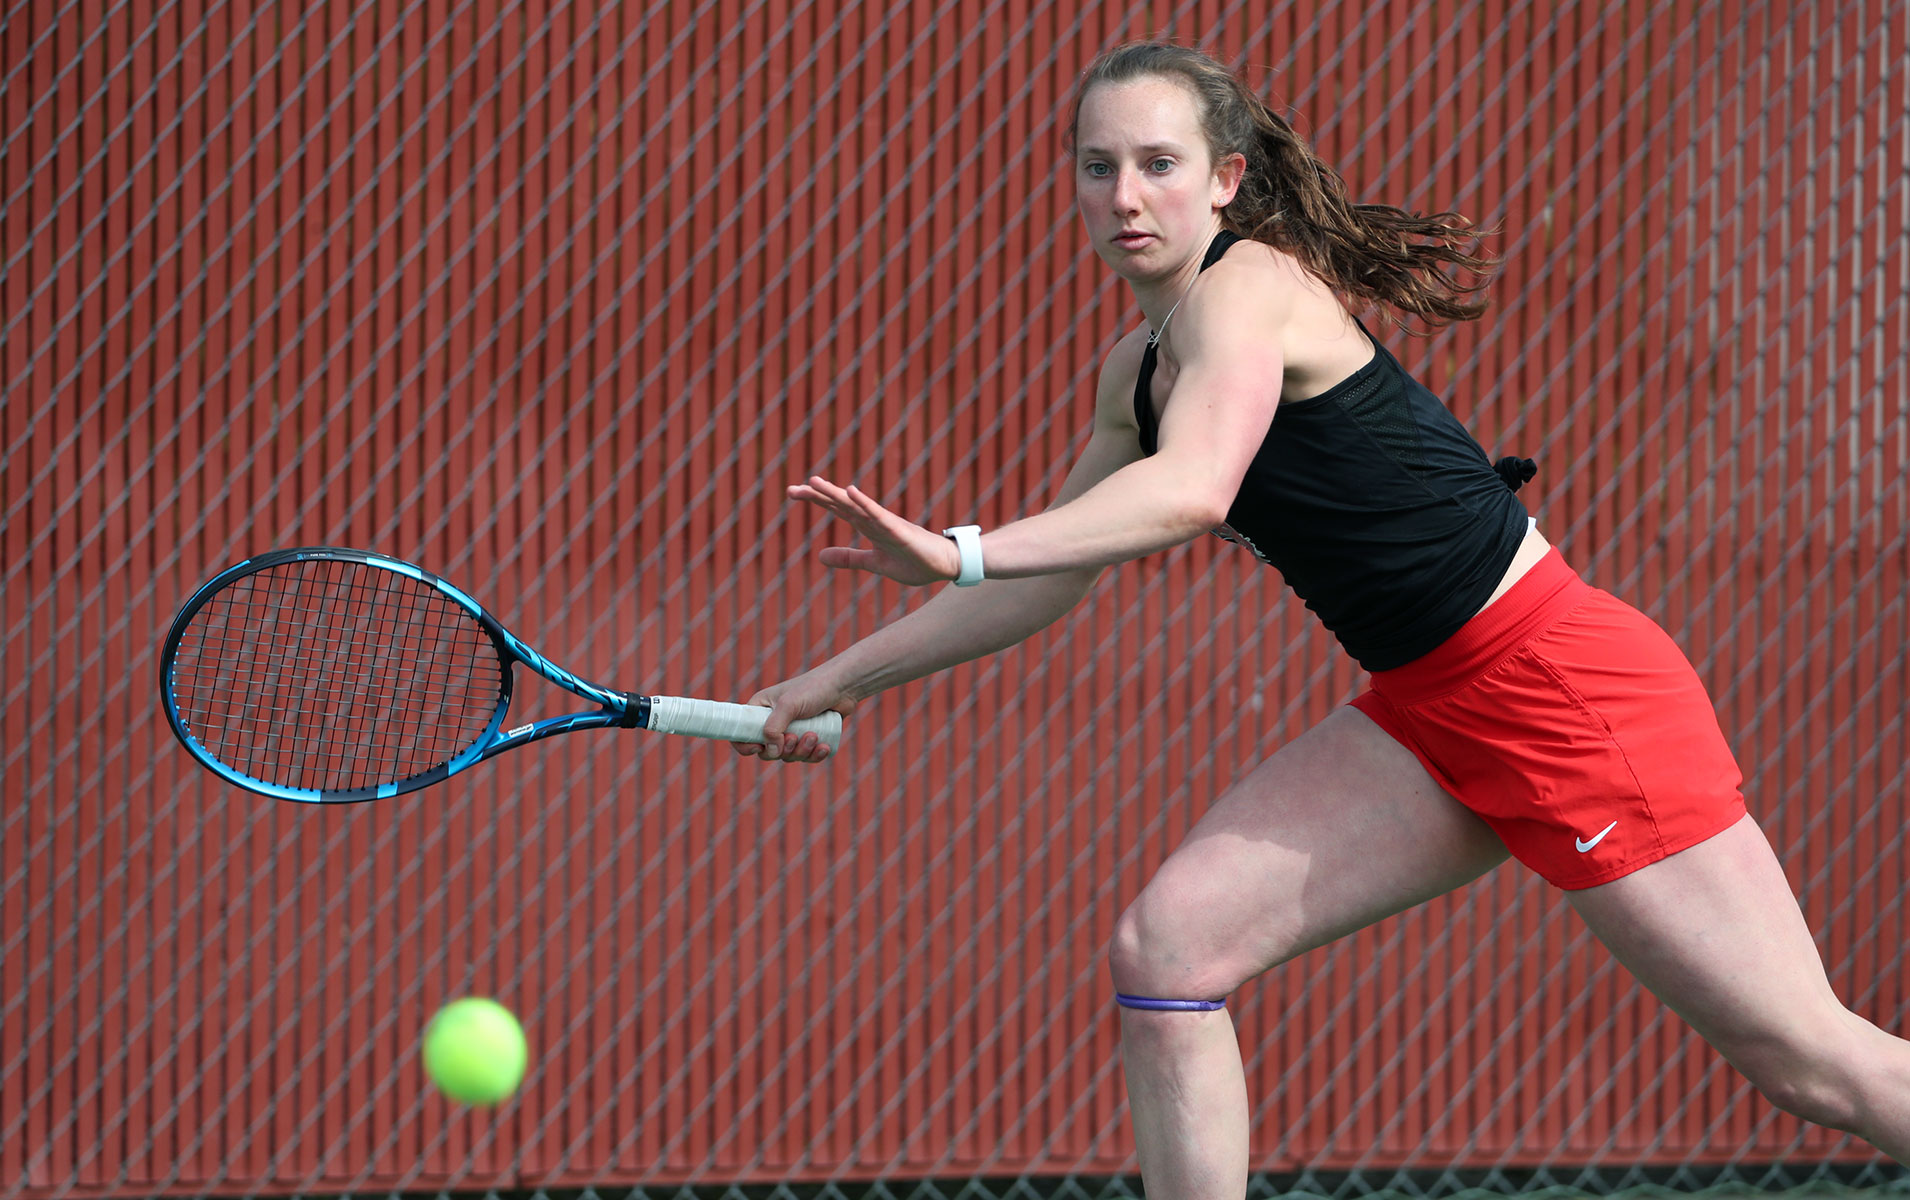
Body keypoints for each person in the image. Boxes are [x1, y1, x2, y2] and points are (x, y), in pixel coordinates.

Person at [732, 40, 1910, 1189]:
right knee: (1169, 949)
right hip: (1427, 711)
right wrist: (836, 678)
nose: (1125, 196)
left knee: (1809, 1066)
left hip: (1560, 687)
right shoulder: (1133, 370)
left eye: (1158, 163)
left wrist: (955, 548)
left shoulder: (1247, 288)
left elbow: (1190, 490)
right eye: (1097, 167)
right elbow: (1051, 577)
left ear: (1227, 178)